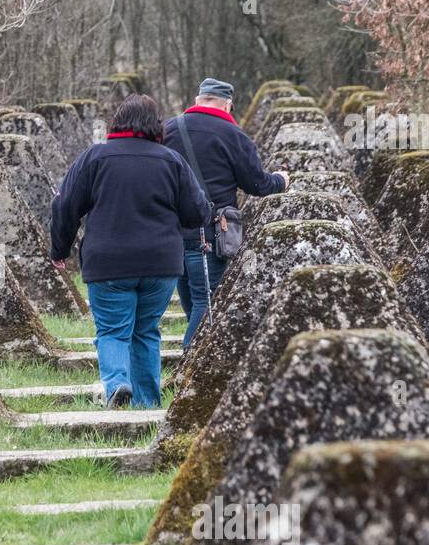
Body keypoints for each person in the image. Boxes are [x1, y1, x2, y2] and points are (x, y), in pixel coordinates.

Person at [50, 94, 211, 409]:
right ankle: (148, 402)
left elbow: (65, 204)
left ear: (117, 122)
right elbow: (197, 211)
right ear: (156, 125)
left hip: (108, 262)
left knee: (112, 330)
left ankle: (117, 384)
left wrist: (60, 248)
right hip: (160, 264)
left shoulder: (95, 158)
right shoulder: (171, 160)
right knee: (146, 331)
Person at [162, 78, 289, 350]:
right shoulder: (232, 135)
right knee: (207, 302)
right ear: (228, 105)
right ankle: (190, 360)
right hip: (209, 234)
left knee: (192, 301)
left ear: (197, 101)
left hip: (169, 233)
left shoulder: (168, 129)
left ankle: (192, 355)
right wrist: (281, 180)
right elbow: (258, 185)